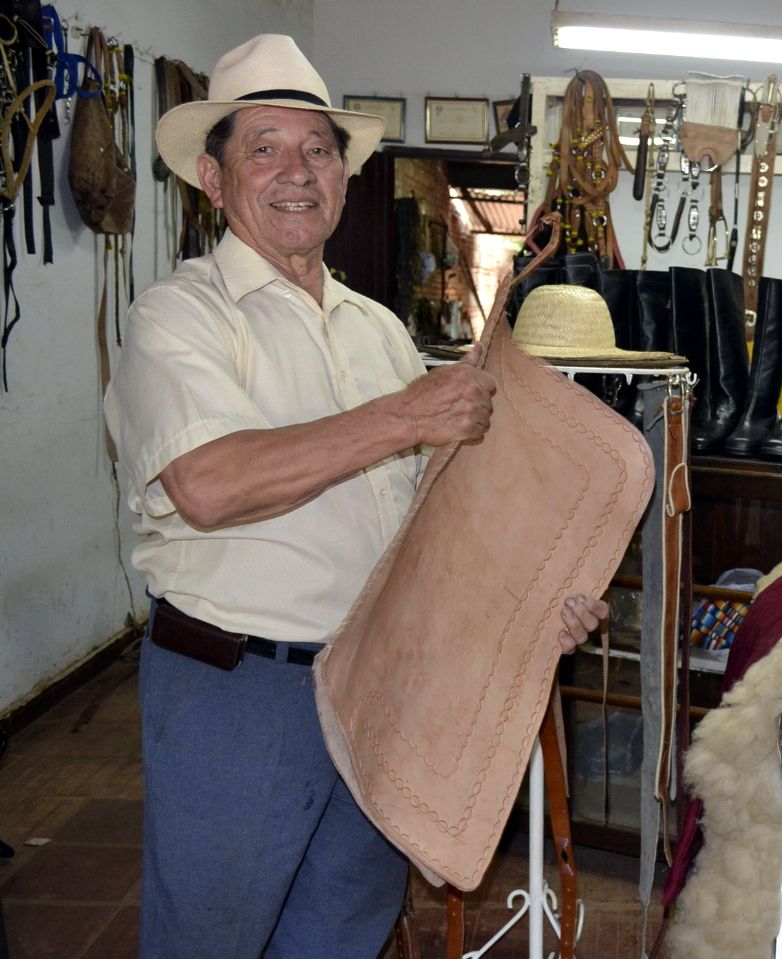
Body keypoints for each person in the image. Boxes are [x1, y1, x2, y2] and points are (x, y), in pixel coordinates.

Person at [103, 34, 607, 958]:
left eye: (319, 149)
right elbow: (209, 485)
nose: (297, 172)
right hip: (235, 691)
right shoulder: (179, 316)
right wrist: (407, 414)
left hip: (377, 688)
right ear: (213, 182)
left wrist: (533, 606)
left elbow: (429, 523)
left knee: (343, 934)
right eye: (264, 148)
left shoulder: (376, 327)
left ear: (342, 175)